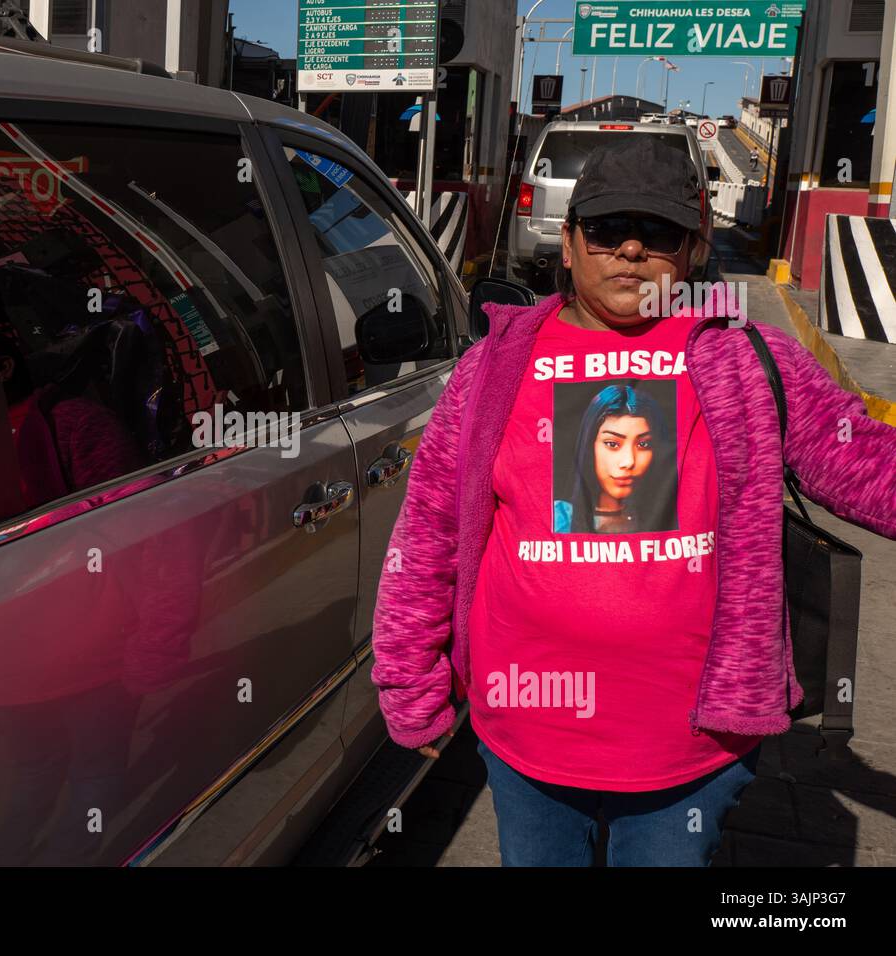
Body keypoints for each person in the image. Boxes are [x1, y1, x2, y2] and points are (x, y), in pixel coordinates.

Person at [371, 135, 896, 866]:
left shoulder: (747, 359)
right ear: (569, 239)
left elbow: (868, 463)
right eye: (607, 228)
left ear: (695, 247)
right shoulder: (494, 368)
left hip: (693, 752)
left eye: (657, 232)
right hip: (526, 739)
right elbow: (426, 533)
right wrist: (408, 678)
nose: (629, 249)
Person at [553, 383, 676, 533]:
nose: (629, 461)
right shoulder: (559, 518)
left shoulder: (669, 518)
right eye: (612, 444)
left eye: (643, 444)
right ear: (590, 446)